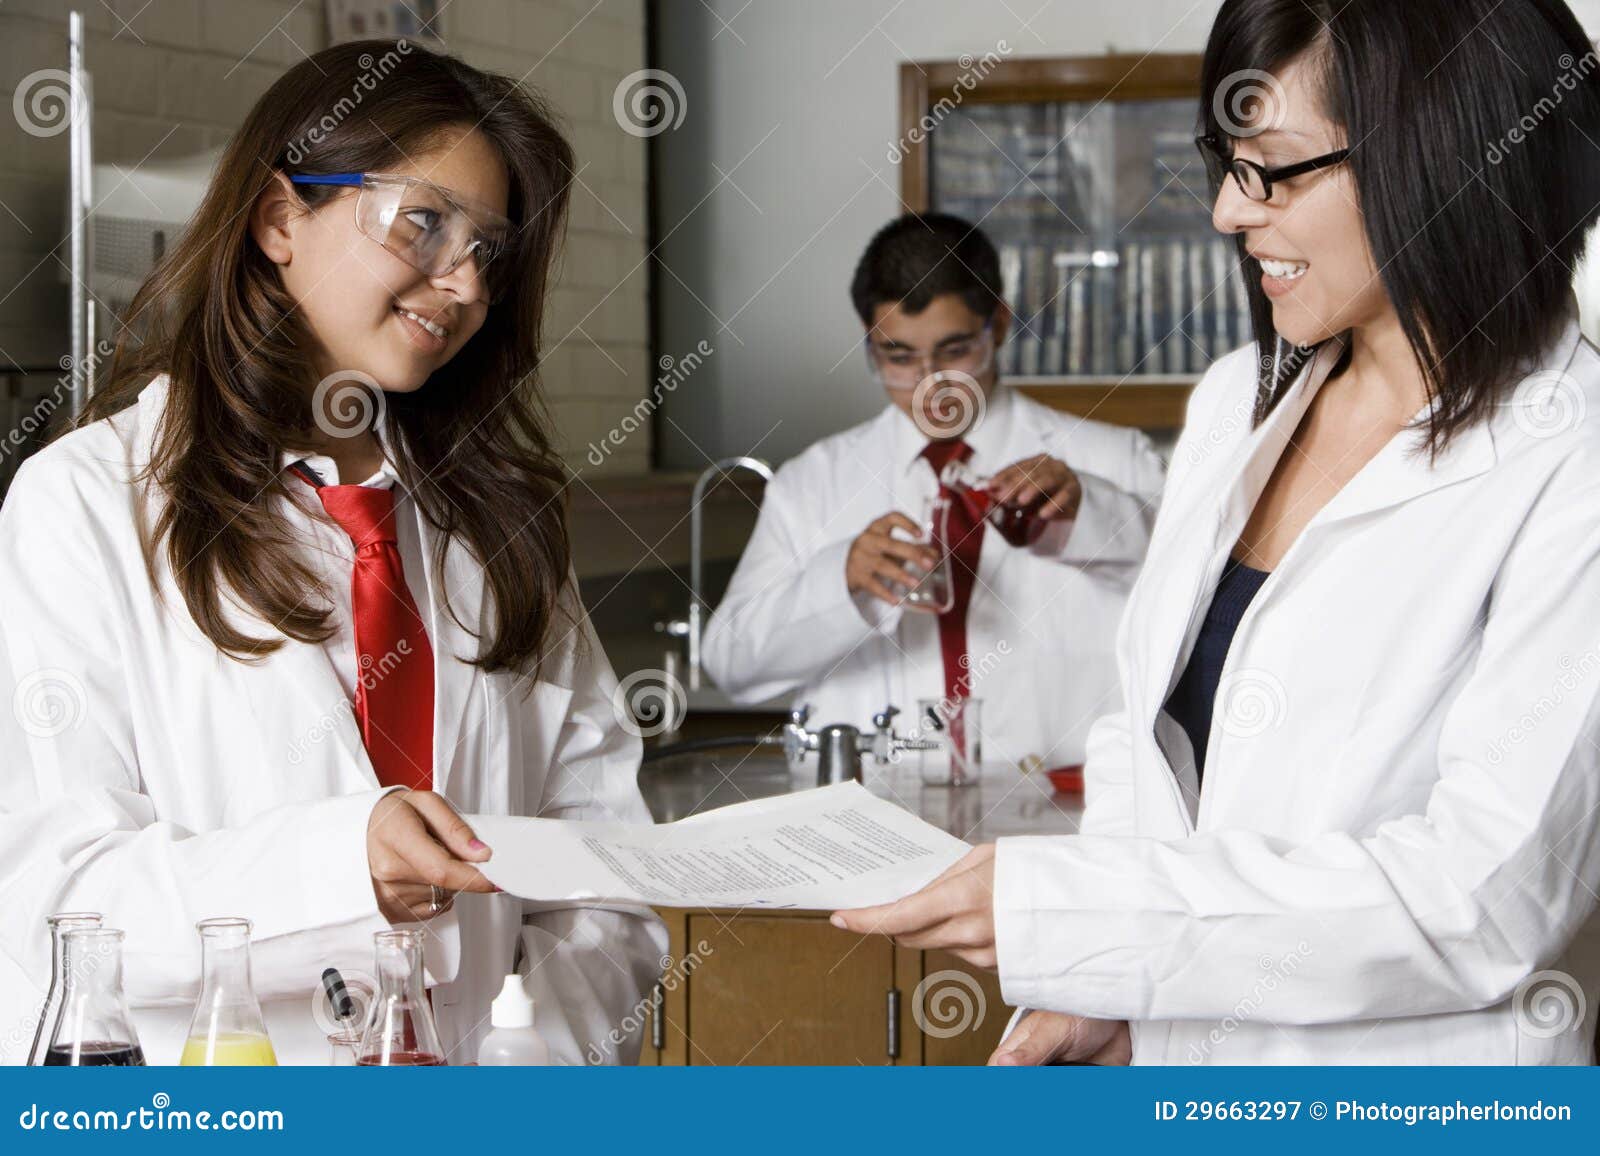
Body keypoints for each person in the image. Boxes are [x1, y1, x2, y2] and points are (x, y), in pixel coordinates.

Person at [835, 0, 1600, 1065]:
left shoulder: (1571, 460)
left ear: (1448, 164)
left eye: (1274, 170)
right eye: (1227, 165)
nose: (1229, 215)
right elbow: (1138, 733)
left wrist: (1086, 917)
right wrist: (1103, 986)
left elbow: (1479, 895)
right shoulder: (1239, 399)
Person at [0, 41, 665, 1066]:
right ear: (278, 221)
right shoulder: (86, 504)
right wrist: (336, 864)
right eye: (425, 222)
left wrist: (528, 1069)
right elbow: (58, 901)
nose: (462, 283)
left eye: (490, 249)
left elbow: (604, 871)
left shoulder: (498, 521)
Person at [702, 213, 1167, 771]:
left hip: (1059, 820)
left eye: (953, 352)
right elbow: (731, 664)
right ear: (870, 345)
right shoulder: (812, 482)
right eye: (898, 357)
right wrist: (841, 579)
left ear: (997, 324)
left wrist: (1088, 513)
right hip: (877, 820)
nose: (929, 383)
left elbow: (1191, 607)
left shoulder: (1114, 459)